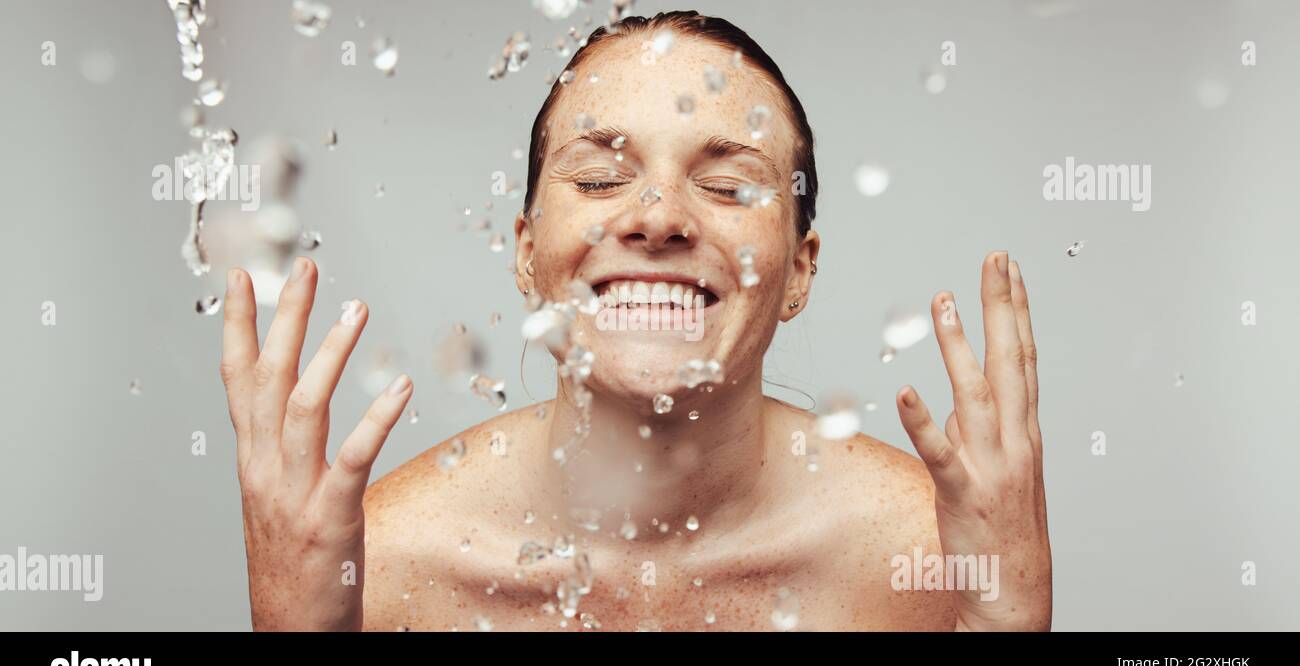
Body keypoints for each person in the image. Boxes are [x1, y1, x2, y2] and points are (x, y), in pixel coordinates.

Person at [218, 11, 1051, 631]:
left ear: (799, 268)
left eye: (728, 187)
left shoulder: (933, 554)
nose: (658, 216)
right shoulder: (385, 564)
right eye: (600, 178)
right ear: (526, 248)